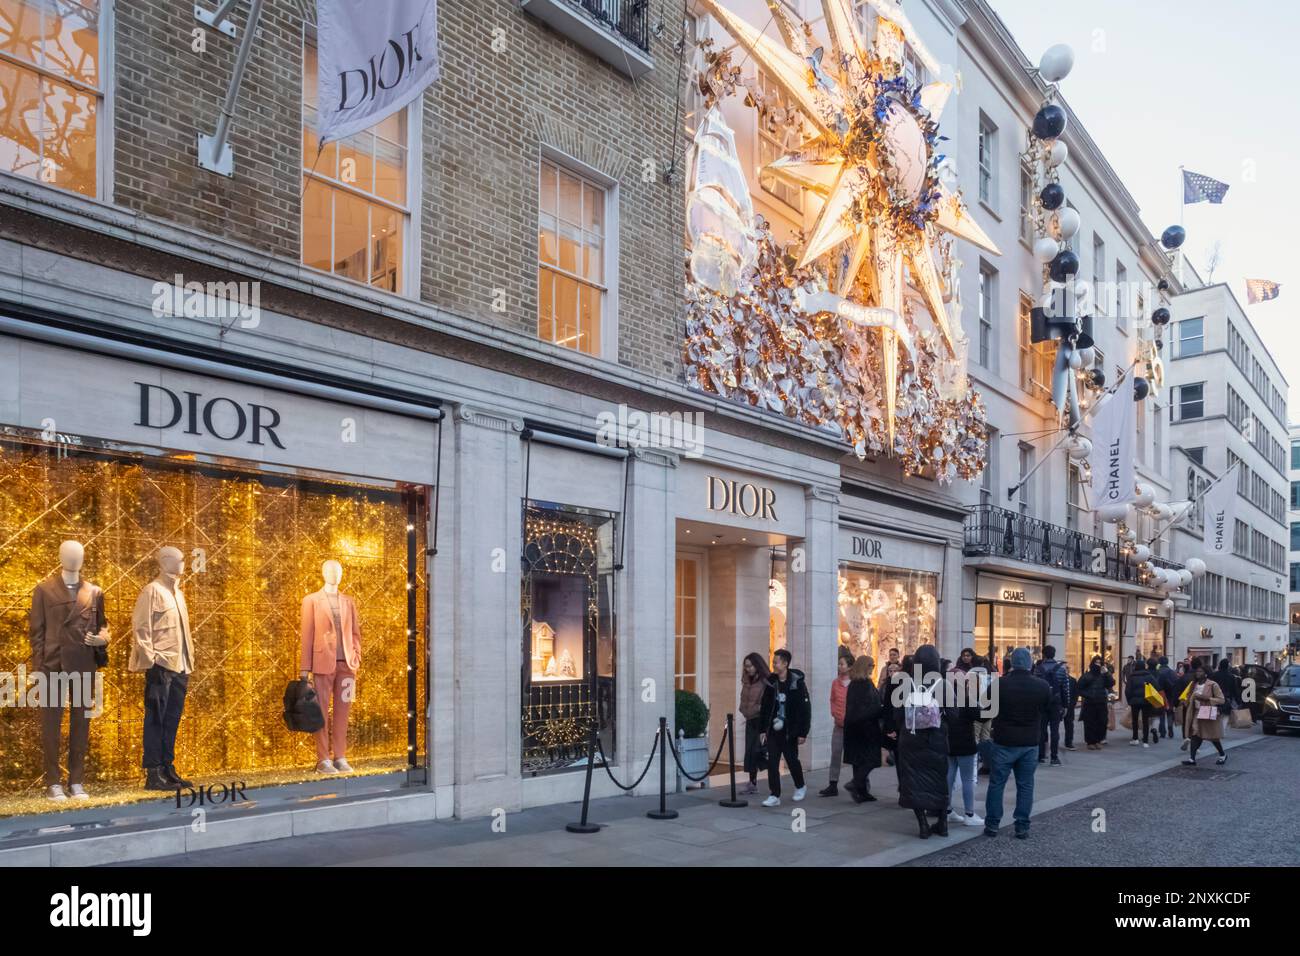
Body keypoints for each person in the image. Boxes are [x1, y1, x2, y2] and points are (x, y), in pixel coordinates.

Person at [983, 647, 1053, 839]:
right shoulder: (1041, 685)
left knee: (997, 784)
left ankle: (992, 824)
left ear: (1012, 663)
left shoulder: (999, 684)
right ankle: (1022, 825)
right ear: (1029, 663)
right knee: (1026, 785)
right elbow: (1048, 708)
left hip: (1004, 740)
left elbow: (985, 708)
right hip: (1029, 741)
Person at [893, 645, 951, 838]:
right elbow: (955, 714)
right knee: (939, 782)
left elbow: (897, 714)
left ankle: (923, 825)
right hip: (936, 740)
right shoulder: (943, 684)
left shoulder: (906, 683)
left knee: (914, 782)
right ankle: (942, 823)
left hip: (911, 740)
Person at [759, 648, 811, 807]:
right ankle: (774, 794)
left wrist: (803, 732)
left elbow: (805, 709)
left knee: (792, 760)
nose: (773, 664)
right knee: (772, 763)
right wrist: (763, 729)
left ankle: (800, 786)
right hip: (774, 731)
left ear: (785, 663)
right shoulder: (771, 682)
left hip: (790, 731)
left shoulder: (797, 683)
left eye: (776, 662)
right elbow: (765, 707)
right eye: (773, 662)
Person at [945, 664, 984, 827]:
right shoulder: (966, 699)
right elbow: (982, 717)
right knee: (968, 779)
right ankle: (969, 813)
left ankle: (946, 810)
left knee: (949, 776)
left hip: (948, 742)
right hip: (965, 743)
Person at [842, 655, 882, 803]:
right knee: (870, 760)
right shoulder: (862, 684)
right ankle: (856, 783)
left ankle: (861, 792)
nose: (873, 668)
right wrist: (879, 709)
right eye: (871, 665)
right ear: (865, 666)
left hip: (856, 728)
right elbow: (866, 708)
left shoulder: (856, 683)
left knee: (858, 761)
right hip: (864, 729)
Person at [821, 646, 854, 797]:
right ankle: (832, 784)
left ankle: (861, 782)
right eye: (839, 664)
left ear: (850, 666)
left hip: (853, 725)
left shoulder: (855, 683)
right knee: (835, 753)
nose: (840, 666)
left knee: (855, 755)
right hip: (839, 725)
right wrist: (835, 714)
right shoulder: (835, 682)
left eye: (842, 664)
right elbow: (832, 700)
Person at [1182, 663, 1228, 766]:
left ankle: (1222, 754)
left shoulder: (1212, 685)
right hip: (1196, 712)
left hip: (1207, 712)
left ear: (1206, 673)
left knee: (1212, 736)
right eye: (1197, 671)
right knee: (1195, 734)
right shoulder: (1193, 684)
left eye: (1200, 671)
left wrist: (1206, 698)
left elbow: (1221, 700)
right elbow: (1189, 696)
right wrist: (1186, 701)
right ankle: (1192, 759)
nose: (1198, 673)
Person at [1032, 645, 1069, 766]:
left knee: (1041, 730)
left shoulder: (1038, 668)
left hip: (1042, 703)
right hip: (1056, 704)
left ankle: (1041, 756)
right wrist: (1065, 705)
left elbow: (1035, 688)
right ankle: (1054, 757)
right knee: (1055, 731)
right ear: (1054, 654)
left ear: (1044, 654)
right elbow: (1065, 689)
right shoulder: (1061, 669)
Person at [738, 652, 770, 795]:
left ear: (757, 665)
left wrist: (756, 709)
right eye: (746, 667)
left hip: (761, 720)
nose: (748, 669)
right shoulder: (746, 681)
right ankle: (752, 782)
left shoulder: (765, 681)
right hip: (750, 719)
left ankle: (773, 783)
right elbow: (743, 698)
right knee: (750, 751)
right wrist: (744, 710)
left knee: (760, 752)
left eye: (750, 666)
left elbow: (766, 702)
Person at [1076, 656, 1114, 749]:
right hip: (1090, 703)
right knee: (1090, 723)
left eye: (1099, 663)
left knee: (1102, 722)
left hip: (1101, 702)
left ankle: (1098, 740)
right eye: (1096, 662)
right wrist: (1089, 695)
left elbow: (1111, 683)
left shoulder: (1103, 675)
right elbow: (1079, 688)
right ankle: (1090, 742)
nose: (1098, 664)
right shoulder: (1087, 676)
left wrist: (1107, 673)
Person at [969, 656, 995, 775]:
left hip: (976, 710)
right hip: (989, 710)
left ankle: (974, 764)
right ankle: (987, 764)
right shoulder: (990, 676)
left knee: (975, 737)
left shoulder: (972, 675)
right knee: (985, 737)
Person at [1125, 658, 1158, 747]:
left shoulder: (1132, 677)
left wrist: (1129, 701)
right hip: (1146, 701)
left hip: (1135, 701)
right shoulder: (1149, 676)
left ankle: (1135, 738)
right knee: (1145, 720)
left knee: (1135, 720)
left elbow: (1127, 690)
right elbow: (1156, 686)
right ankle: (1145, 741)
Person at [1154, 656, 1178, 739]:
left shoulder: (1158, 672)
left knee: (1161, 713)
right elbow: (1176, 683)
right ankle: (1170, 729)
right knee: (1170, 713)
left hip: (1161, 694)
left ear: (1160, 663)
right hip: (1170, 695)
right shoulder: (1172, 672)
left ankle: (1162, 731)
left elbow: (1156, 684)